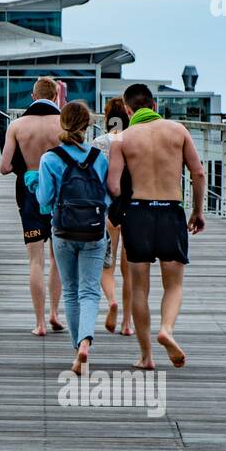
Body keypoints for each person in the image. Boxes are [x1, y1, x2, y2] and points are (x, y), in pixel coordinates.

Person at [107, 83, 205, 370]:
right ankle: (167, 330)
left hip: (137, 214)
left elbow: (113, 186)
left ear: (127, 110)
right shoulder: (178, 131)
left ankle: (146, 356)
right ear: (155, 106)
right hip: (171, 211)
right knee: (173, 285)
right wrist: (198, 212)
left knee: (139, 288)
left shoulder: (121, 138)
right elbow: (198, 172)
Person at [37, 101, 112, 375]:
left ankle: (77, 347)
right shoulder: (99, 157)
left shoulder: (50, 158)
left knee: (70, 290)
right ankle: (86, 342)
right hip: (94, 230)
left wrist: (36, 188)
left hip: (63, 231)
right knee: (90, 291)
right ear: (87, 125)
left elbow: (45, 200)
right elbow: (106, 197)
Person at [0, 77, 66, 335]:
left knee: (35, 261)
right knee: (57, 258)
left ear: (32, 96)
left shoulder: (17, 125)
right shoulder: (64, 124)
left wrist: (27, 171)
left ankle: (39, 323)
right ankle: (54, 314)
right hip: (61, 195)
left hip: (30, 195)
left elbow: (4, 167)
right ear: (56, 97)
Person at [92, 97, 132, 336]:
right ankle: (127, 323)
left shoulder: (99, 143)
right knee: (130, 269)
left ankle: (111, 301)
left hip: (106, 209)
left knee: (107, 264)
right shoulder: (134, 141)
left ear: (108, 118)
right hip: (132, 207)